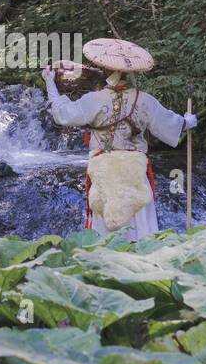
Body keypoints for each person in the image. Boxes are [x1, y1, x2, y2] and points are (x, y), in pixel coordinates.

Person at [41, 38, 197, 240]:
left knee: (105, 219)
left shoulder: (94, 100)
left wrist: (50, 83)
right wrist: (188, 122)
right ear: (130, 73)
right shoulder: (145, 100)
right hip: (135, 171)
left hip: (104, 171)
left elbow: (62, 113)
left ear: (104, 70)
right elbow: (171, 125)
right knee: (140, 218)